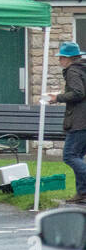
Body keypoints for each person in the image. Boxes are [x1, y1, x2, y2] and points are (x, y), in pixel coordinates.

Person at [53, 41, 86, 204]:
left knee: (70, 156)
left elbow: (78, 93)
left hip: (80, 121)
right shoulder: (82, 68)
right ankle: (82, 193)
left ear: (68, 58)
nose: (59, 61)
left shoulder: (73, 70)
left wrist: (57, 97)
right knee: (78, 155)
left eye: (61, 58)